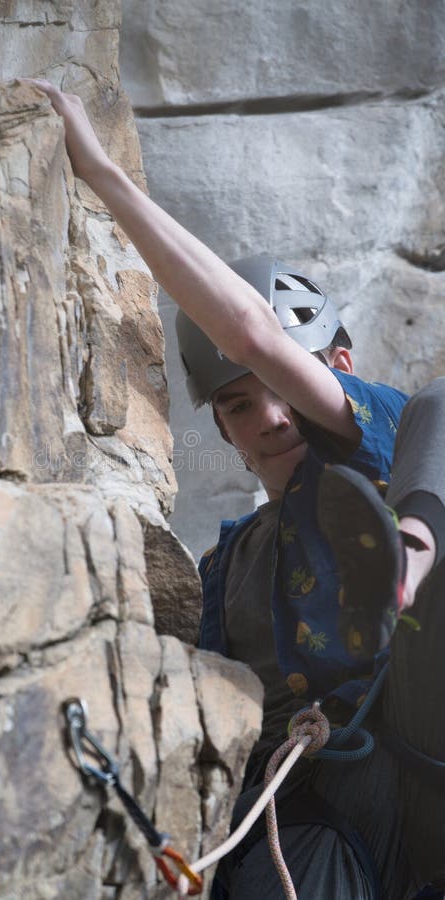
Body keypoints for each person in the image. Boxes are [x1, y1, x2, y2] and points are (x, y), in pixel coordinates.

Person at [25, 80, 445, 898]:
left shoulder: (383, 439)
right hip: (291, 818)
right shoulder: (230, 563)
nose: (271, 416)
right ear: (221, 429)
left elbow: (249, 334)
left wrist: (103, 174)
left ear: (342, 371)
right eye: (238, 404)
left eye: (286, 386)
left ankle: (409, 560)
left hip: (408, 775)